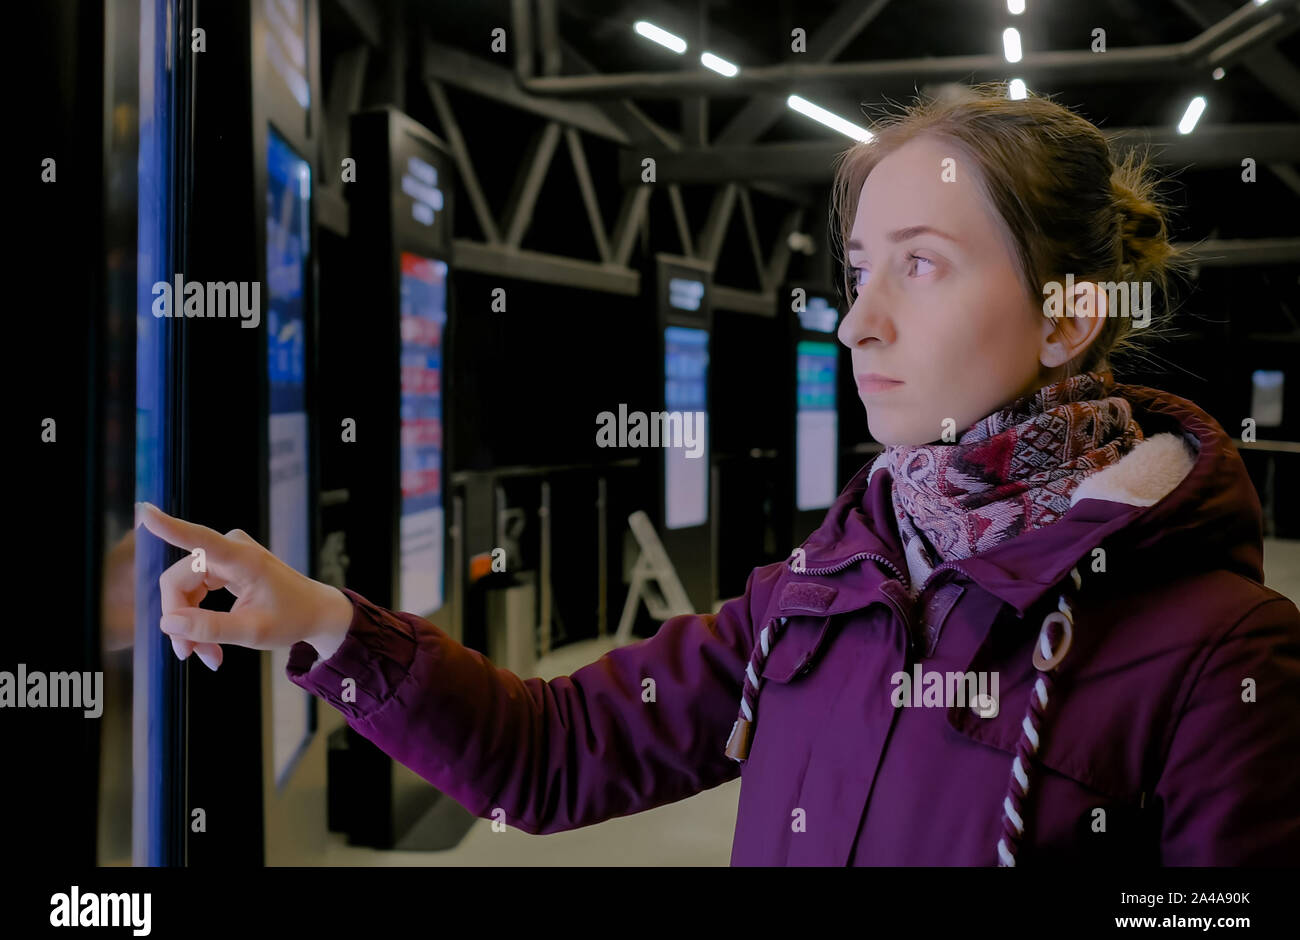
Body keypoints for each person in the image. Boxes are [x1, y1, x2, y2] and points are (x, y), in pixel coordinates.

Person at [138, 84, 1300, 866]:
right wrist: (325, 624)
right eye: (857, 271)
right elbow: (544, 755)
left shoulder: (1220, 652)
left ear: (1066, 315)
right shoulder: (828, 589)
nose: (860, 323)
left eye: (922, 267)